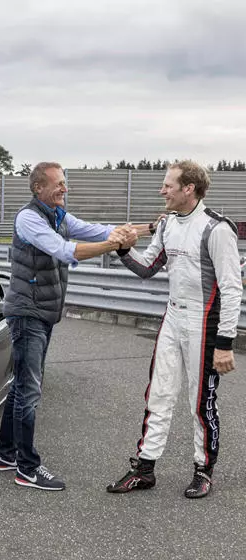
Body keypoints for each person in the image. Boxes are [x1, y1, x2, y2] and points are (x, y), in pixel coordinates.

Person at [0, 161, 140, 491]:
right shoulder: (29, 218)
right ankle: (27, 468)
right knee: (29, 391)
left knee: (20, 386)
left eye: (64, 182)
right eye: (58, 184)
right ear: (38, 189)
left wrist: (138, 229)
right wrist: (113, 245)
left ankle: (4, 455)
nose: (64, 188)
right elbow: (63, 250)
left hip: (40, 313)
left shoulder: (58, 216)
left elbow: (95, 229)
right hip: (27, 314)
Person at [106, 160, 243, 499]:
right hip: (172, 318)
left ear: (189, 189)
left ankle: (203, 471)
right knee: (159, 394)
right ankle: (145, 468)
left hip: (205, 325)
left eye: (168, 185)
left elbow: (232, 288)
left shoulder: (217, 228)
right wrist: (124, 248)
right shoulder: (167, 224)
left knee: (201, 403)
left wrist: (225, 342)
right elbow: (147, 267)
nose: (161, 190)